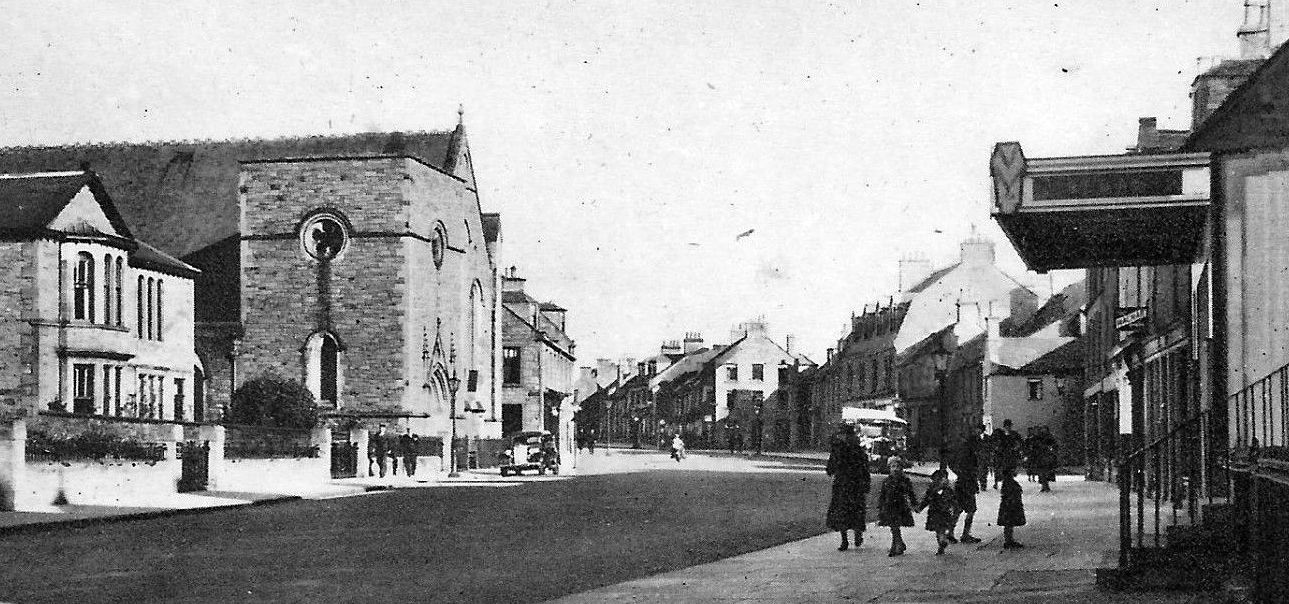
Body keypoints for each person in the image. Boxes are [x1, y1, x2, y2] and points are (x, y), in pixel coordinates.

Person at [825, 424, 871, 551]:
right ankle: (856, 534)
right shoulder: (859, 450)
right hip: (855, 485)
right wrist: (866, 483)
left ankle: (845, 540)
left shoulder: (838, 449)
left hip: (843, 484)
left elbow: (830, 469)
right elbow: (865, 469)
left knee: (842, 511)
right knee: (856, 510)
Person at [877, 456, 918, 557]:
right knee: (894, 527)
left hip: (900, 506)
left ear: (901, 468)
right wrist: (880, 506)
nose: (895, 469)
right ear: (889, 468)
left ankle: (896, 546)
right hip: (889, 507)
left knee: (895, 526)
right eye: (893, 466)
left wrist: (914, 504)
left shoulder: (904, 481)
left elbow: (910, 493)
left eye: (897, 466)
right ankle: (898, 544)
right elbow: (883, 494)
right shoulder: (887, 481)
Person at [949, 431, 983, 544]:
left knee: (957, 509)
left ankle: (950, 533)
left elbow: (951, 463)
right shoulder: (971, 454)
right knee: (971, 510)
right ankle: (965, 534)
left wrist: (959, 473)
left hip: (960, 482)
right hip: (968, 484)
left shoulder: (960, 451)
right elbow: (973, 471)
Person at [916, 468, 960, 555]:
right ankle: (941, 543)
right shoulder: (932, 490)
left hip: (945, 513)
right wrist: (920, 508)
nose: (944, 480)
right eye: (941, 479)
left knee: (942, 529)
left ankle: (942, 540)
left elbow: (954, 500)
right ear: (936, 480)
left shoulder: (948, 490)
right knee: (938, 530)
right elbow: (926, 500)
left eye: (945, 478)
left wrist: (955, 508)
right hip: (934, 513)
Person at [998, 468, 1027, 548]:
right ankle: (1008, 541)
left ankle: (1009, 540)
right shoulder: (1010, 483)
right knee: (1009, 523)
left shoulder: (1008, 482)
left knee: (1009, 523)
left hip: (1009, 505)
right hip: (1010, 505)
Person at [993, 419, 1023, 489]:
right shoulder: (1000, 434)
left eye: (1009, 426)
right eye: (1006, 426)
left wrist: (1017, 448)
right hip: (1002, 455)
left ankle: (1008, 483)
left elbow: (1020, 442)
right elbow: (995, 443)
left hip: (1011, 455)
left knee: (1010, 470)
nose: (1007, 427)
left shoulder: (1014, 434)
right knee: (1001, 470)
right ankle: (1001, 482)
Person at [1034, 426, 1058, 492]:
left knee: (1045, 472)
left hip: (1045, 456)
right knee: (1043, 472)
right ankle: (1044, 485)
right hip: (1042, 457)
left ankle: (1045, 485)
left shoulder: (1047, 437)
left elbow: (1054, 445)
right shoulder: (1040, 437)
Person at [974, 425, 992, 492]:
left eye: (979, 429)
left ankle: (983, 485)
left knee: (984, 472)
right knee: (977, 472)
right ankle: (976, 485)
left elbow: (990, 447)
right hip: (976, 457)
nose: (978, 431)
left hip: (985, 457)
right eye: (977, 429)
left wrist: (989, 456)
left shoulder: (987, 438)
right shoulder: (974, 438)